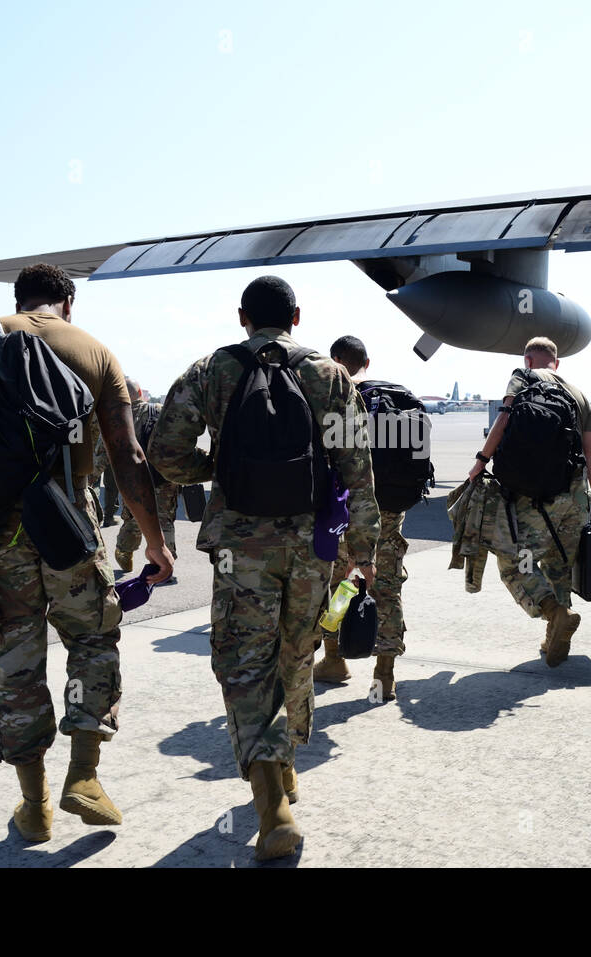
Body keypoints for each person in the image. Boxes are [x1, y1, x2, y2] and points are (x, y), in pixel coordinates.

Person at [0, 263, 174, 843]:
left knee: (14, 661)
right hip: (67, 524)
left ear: (19, 299)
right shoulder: (96, 352)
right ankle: (85, 776)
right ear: (68, 304)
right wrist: (153, 540)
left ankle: (35, 805)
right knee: (93, 638)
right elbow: (128, 456)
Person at [149, 275, 379, 861]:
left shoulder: (210, 371)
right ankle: (285, 766)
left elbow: (166, 455)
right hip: (309, 547)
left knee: (245, 661)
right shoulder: (331, 376)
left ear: (242, 317)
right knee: (296, 653)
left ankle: (271, 800)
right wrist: (364, 551)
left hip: (240, 545)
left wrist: (220, 466)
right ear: (297, 318)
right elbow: (357, 468)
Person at [468, 336, 591, 667]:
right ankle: (554, 636)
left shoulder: (522, 377)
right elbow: (590, 453)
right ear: (556, 362)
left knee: (517, 563)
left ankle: (555, 614)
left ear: (528, 360)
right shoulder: (577, 392)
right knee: (558, 566)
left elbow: (502, 420)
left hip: (533, 499)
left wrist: (480, 462)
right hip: (573, 497)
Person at [313, 335, 408, 701]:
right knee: (388, 589)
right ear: (367, 360)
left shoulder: (340, 399)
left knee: (341, 585)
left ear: (337, 360)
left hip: (349, 511)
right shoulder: (400, 399)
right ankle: (385, 676)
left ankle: (335, 659)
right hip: (391, 511)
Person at [115, 377, 179, 577]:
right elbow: (179, 439)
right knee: (165, 520)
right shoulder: (160, 411)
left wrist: (90, 480)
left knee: (134, 518)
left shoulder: (118, 418)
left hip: (134, 479)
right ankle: (166, 563)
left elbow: (101, 454)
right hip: (164, 477)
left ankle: (124, 552)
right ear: (141, 393)